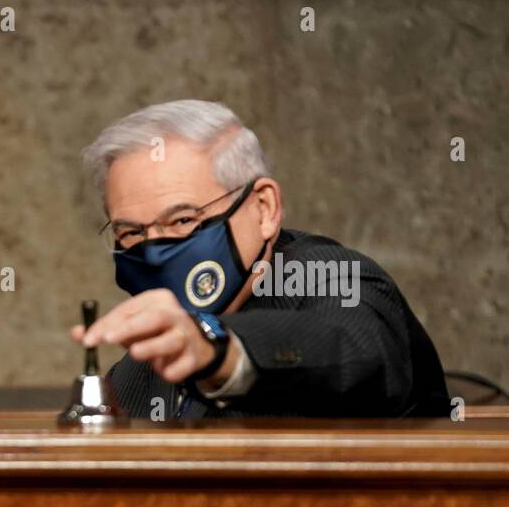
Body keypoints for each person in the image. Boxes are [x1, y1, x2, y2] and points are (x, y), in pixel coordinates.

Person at [73, 99, 449, 419]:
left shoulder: (330, 277)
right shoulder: (144, 365)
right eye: (132, 233)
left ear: (264, 208)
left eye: (183, 220)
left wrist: (217, 352)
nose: (153, 252)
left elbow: (354, 348)